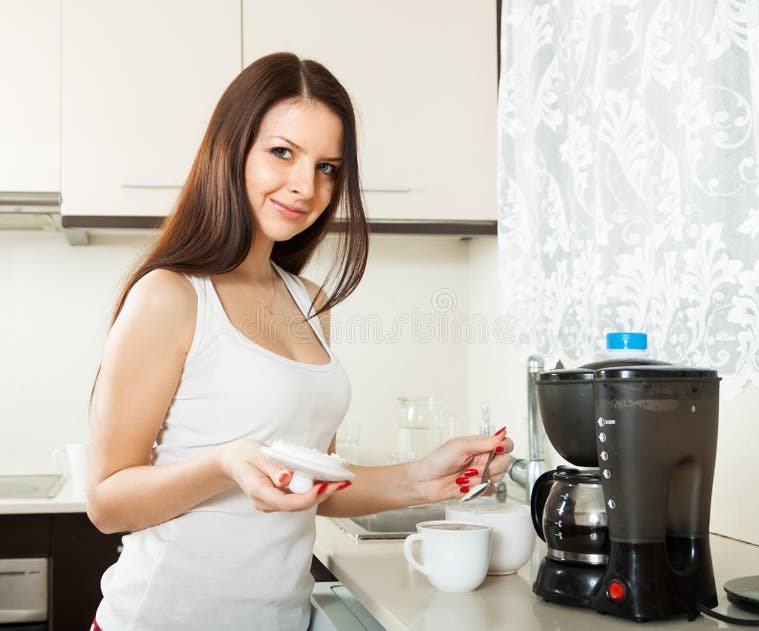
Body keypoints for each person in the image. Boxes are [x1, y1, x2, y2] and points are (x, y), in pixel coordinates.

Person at [86, 51, 513, 631]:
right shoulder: (172, 296)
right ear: (232, 148)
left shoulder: (310, 303)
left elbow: (321, 486)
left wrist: (424, 476)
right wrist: (224, 464)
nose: (305, 187)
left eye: (328, 167)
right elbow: (107, 502)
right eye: (282, 152)